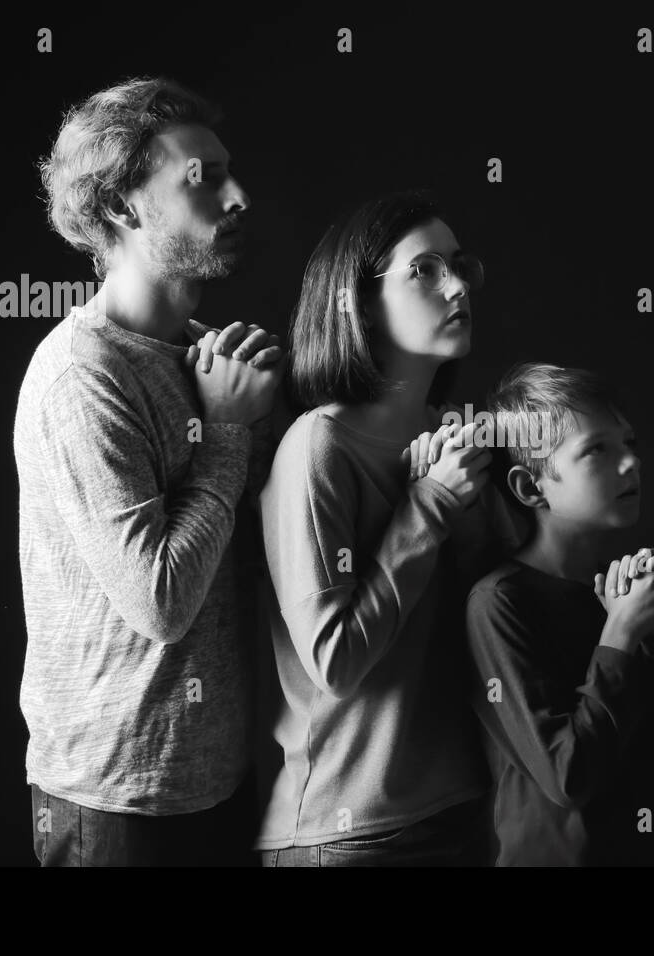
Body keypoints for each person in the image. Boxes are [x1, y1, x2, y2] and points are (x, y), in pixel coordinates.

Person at [15, 75, 281, 866]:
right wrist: (227, 434)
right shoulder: (82, 375)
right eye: (203, 178)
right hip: (114, 803)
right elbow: (159, 601)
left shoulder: (213, 359)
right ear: (123, 209)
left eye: (231, 172)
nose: (238, 197)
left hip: (222, 780)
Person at [255, 190, 518, 866]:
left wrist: (473, 496)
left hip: (466, 813)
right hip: (350, 837)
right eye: (424, 270)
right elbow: (336, 661)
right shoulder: (319, 446)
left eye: (460, 266)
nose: (458, 286)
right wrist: (429, 505)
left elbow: (497, 614)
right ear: (359, 303)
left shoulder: (452, 439)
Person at [462, 362, 654, 865]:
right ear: (531, 487)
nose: (631, 462)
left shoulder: (619, 592)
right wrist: (621, 633)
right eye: (597, 449)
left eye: (629, 443)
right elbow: (568, 777)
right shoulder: (499, 603)